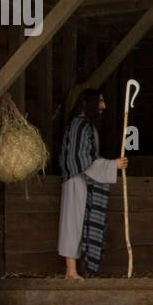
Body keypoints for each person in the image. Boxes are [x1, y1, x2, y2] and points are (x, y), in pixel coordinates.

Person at [57, 89, 126, 279]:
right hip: (76, 180)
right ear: (89, 104)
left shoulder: (84, 126)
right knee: (73, 223)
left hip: (82, 181)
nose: (103, 106)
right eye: (100, 102)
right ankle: (71, 271)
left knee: (80, 224)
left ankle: (75, 269)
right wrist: (113, 165)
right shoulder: (80, 126)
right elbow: (82, 160)